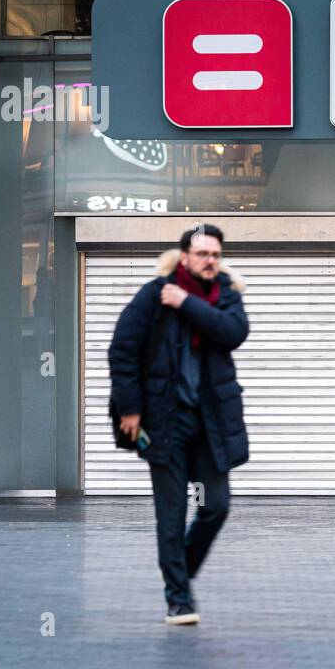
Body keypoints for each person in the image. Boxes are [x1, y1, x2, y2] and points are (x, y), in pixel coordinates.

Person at [108, 224, 250, 625]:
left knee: (215, 507)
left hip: (210, 426)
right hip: (165, 422)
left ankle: (177, 571)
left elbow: (234, 333)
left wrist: (186, 302)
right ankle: (179, 600)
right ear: (184, 255)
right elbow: (122, 350)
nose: (210, 262)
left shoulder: (226, 295)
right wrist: (130, 410)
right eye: (203, 254)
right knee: (170, 515)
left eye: (216, 255)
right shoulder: (154, 296)